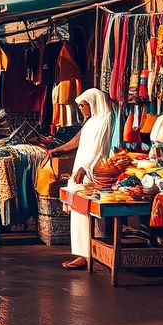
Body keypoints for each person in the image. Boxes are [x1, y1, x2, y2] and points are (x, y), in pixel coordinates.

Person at [52, 88, 114, 269]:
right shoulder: (91, 122)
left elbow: (103, 150)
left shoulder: (106, 120)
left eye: (83, 106)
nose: (81, 110)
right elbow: (77, 140)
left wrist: (86, 168)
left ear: (93, 103)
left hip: (91, 172)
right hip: (79, 171)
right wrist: (58, 149)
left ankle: (91, 254)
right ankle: (81, 253)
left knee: (89, 213)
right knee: (78, 213)